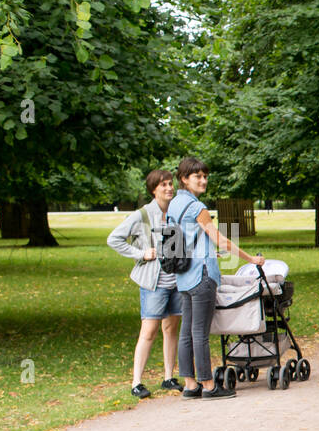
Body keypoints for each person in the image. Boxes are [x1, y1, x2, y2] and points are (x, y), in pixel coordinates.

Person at [167, 156, 264, 399]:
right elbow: (220, 239)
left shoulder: (174, 205)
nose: (203, 180)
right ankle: (209, 386)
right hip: (201, 277)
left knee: (186, 332)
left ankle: (190, 385)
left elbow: (183, 240)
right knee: (199, 332)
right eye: (197, 176)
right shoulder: (198, 208)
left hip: (183, 276)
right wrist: (250, 259)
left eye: (205, 176)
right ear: (184, 179)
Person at [107, 168, 182, 398]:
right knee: (148, 331)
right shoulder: (142, 215)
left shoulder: (177, 211)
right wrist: (141, 253)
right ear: (153, 189)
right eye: (164, 185)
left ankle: (169, 377)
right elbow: (114, 239)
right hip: (154, 283)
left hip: (176, 280)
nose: (169, 188)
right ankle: (136, 382)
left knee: (171, 329)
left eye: (171, 183)